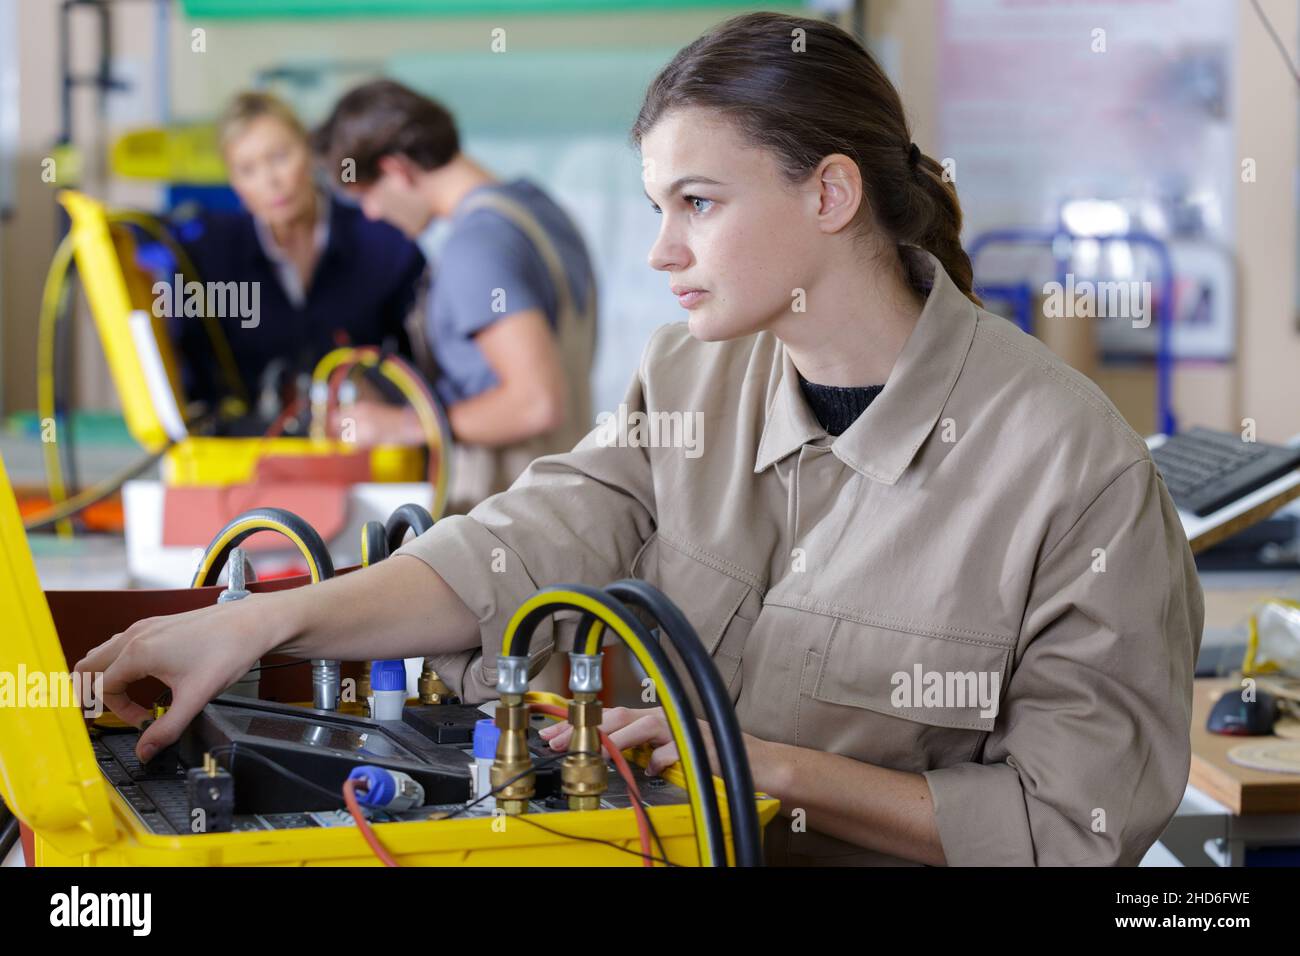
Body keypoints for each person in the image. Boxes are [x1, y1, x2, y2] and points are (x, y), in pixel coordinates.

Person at [78, 12, 1202, 867]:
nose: (662, 251)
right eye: (657, 205)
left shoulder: (1072, 469)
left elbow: (1071, 822)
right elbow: (516, 545)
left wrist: (757, 764)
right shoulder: (689, 374)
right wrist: (248, 623)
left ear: (830, 194)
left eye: (697, 204)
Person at [311, 80, 598, 510]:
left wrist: (402, 425)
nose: (370, 213)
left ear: (397, 170)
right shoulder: (537, 209)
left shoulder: (475, 248)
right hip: (566, 501)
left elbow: (536, 403)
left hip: (513, 516)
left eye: (366, 195)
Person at [171, 91, 426, 418]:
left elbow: (425, 370)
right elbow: (193, 378)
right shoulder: (209, 258)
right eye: (247, 169)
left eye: (279, 157)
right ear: (234, 183)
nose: (270, 181)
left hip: (371, 450)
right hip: (249, 454)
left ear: (309, 150)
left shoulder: (383, 243)